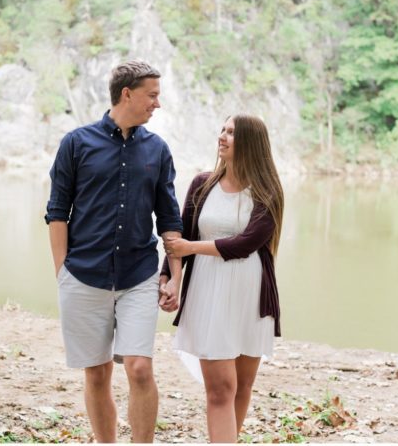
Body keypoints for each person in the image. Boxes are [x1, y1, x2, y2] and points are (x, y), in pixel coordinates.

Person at [45, 60, 183, 444]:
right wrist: (62, 272)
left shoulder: (157, 149)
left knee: (139, 368)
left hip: (139, 274)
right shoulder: (76, 143)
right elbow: (58, 212)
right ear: (127, 94)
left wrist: (176, 275)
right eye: (152, 95)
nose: (157, 104)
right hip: (83, 275)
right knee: (97, 373)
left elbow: (169, 217)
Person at [158, 114, 283, 443]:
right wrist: (171, 278)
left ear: (251, 144)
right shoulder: (203, 184)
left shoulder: (267, 192)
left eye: (232, 133)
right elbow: (179, 239)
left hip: (250, 296)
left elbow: (246, 244)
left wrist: (190, 246)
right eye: (223, 130)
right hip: (208, 292)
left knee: (242, 388)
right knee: (220, 390)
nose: (223, 137)